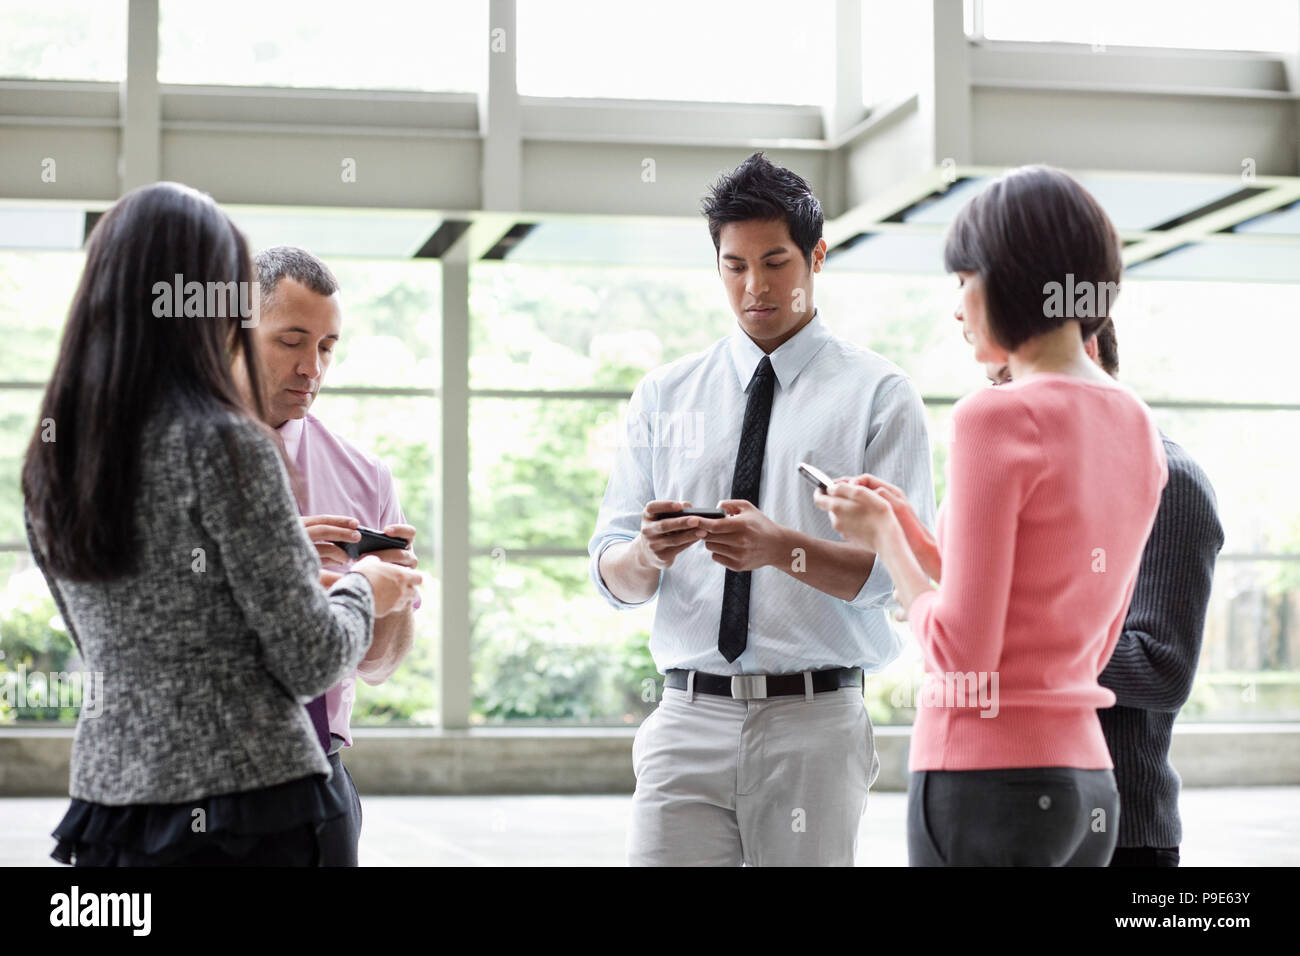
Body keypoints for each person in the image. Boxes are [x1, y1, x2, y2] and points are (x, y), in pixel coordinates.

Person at [22, 182, 421, 866]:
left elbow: (136, 635)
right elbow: (310, 661)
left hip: (114, 807)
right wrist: (365, 585)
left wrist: (282, 553)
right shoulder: (225, 443)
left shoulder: (55, 457)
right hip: (255, 810)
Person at [589, 152, 935, 866]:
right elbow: (611, 576)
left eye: (775, 262)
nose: (755, 287)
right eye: (734, 265)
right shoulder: (665, 395)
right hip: (685, 717)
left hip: (814, 724)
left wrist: (783, 549)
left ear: (817, 256)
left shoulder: (879, 394)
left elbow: (898, 579)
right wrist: (647, 554)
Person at [815, 165, 1168, 866]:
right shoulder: (1135, 424)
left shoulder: (995, 416)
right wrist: (913, 533)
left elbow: (962, 651)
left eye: (962, 280)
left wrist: (885, 540)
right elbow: (1056, 622)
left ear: (1009, 278)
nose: (956, 308)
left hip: (984, 780)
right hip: (1088, 785)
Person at [232, 245, 420, 866]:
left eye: (327, 346)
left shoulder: (365, 478)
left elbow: (378, 666)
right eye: (291, 340)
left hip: (319, 783)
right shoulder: (168, 459)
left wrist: (388, 600)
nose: (311, 366)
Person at [1087, 319, 1223, 867]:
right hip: (1026, 818)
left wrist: (1016, 635)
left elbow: (1160, 669)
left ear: (1086, 351)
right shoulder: (1049, 479)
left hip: (1123, 837)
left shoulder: (1170, 480)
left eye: (1011, 377)